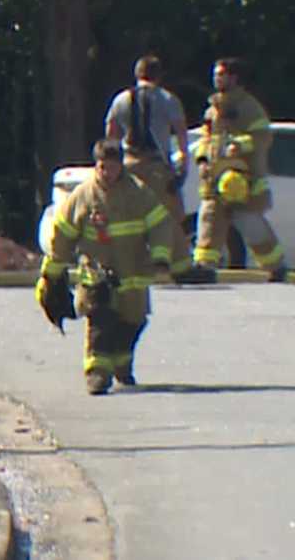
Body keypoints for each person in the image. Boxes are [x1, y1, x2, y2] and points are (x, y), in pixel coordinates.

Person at [37, 139, 173, 395]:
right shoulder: (83, 196)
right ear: (95, 165)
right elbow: (63, 234)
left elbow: (160, 225)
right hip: (96, 273)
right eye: (102, 167)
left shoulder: (139, 193)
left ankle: (121, 365)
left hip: (133, 272)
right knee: (100, 320)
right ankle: (97, 374)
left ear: (121, 166)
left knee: (132, 321)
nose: (107, 173)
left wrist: (160, 257)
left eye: (112, 167)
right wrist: (52, 273)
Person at [104, 55, 204, 283]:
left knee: (126, 216)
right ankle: (181, 267)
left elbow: (111, 134)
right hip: (157, 167)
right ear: (159, 76)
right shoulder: (168, 99)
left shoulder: (121, 100)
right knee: (171, 216)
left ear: (137, 74)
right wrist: (182, 168)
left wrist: (113, 165)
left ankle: (120, 265)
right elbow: (180, 133)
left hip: (128, 164)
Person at [190, 57, 287, 282]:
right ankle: (204, 266)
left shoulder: (249, 107)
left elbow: (263, 137)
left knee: (250, 223)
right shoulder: (213, 109)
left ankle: (276, 266)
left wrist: (240, 145)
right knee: (209, 218)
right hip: (215, 177)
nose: (216, 78)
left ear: (234, 78)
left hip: (244, 180)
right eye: (216, 74)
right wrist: (203, 158)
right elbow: (206, 138)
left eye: (221, 74)